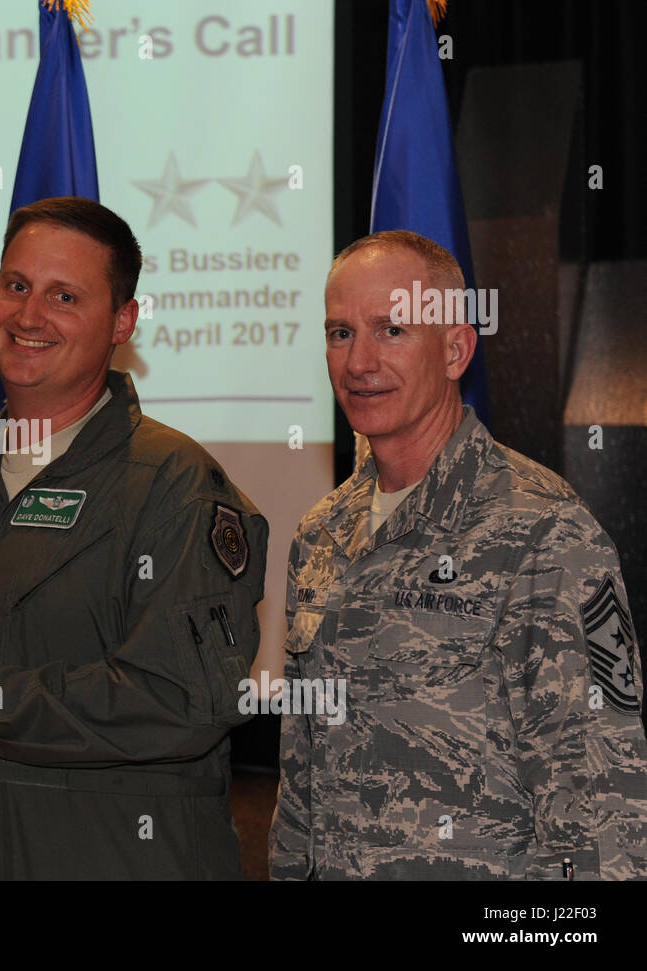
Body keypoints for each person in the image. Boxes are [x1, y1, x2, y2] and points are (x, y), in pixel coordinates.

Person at [0, 197, 268, 879]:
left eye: (64, 295)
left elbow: (182, 699)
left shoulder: (175, 484)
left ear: (124, 321)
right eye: (16, 286)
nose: (29, 316)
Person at [269, 229, 647, 879]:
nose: (359, 361)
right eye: (340, 332)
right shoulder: (320, 533)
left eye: (392, 330)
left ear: (454, 349)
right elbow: (302, 775)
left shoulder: (543, 532)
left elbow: (603, 812)